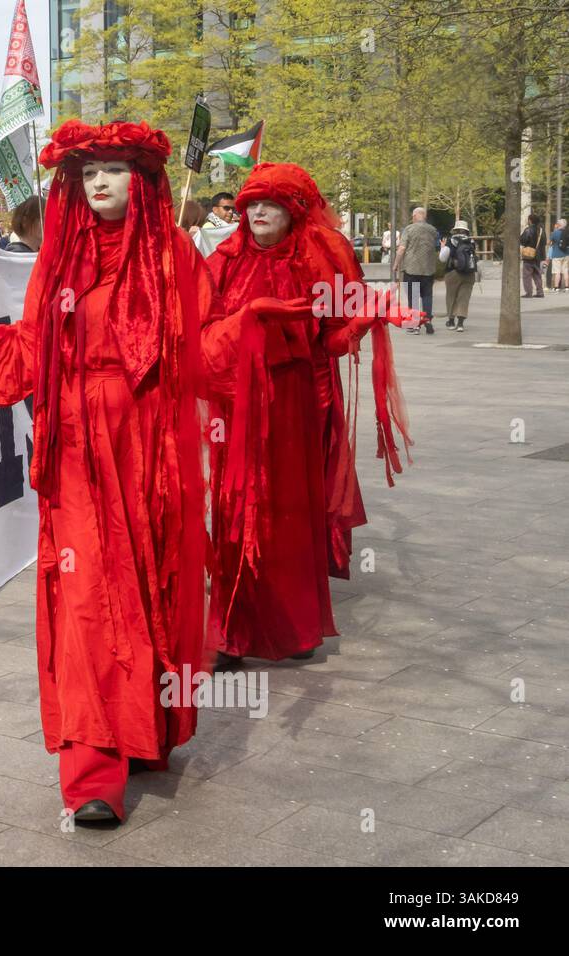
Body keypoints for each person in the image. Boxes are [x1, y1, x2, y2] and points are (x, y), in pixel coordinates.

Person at [0, 119, 292, 825]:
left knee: (149, 588)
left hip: (150, 451)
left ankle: (142, 729)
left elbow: (205, 349)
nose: (98, 181)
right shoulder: (59, 262)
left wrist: (253, 319)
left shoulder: (172, 256)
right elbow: (30, 350)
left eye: (114, 168)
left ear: (143, 177)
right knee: (84, 600)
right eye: (87, 170)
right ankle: (92, 771)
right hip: (77, 449)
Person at [204, 162, 412, 667]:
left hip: (298, 401)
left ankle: (295, 627)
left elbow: (333, 342)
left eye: (269, 204)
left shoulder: (319, 259)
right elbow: (201, 339)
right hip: (236, 404)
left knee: (291, 513)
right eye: (251, 203)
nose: (256, 212)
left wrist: (364, 322)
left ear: (293, 211)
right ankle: (232, 631)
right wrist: (244, 324)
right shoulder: (223, 262)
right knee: (237, 510)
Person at [394, 207, 439, 333]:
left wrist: (396, 263)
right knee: (427, 295)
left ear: (414, 216)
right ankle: (427, 319)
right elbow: (436, 246)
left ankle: (415, 325)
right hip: (428, 269)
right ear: (424, 216)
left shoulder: (409, 229)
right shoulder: (433, 230)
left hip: (411, 268)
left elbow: (402, 248)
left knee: (413, 296)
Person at [441, 220, 479, 330]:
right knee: (464, 298)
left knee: (451, 296)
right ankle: (461, 324)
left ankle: (451, 322)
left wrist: (443, 247)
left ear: (455, 230)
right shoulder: (471, 242)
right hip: (469, 273)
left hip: (453, 273)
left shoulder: (451, 240)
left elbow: (442, 258)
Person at [519, 213, 547, 298]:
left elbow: (522, 240)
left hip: (529, 255)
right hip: (539, 256)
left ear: (530, 220)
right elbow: (544, 242)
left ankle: (529, 292)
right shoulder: (542, 230)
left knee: (527, 274)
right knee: (537, 274)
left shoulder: (528, 230)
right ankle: (540, 292)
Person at [548, 218, 567, 293]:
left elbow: (548, 242)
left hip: (557, 254)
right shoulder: (567, 232)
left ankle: (556, 287)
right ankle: (567, 287)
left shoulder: (555, 233)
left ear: (558, 225)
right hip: (566, 254)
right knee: (565, 271)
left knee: (557, 272)